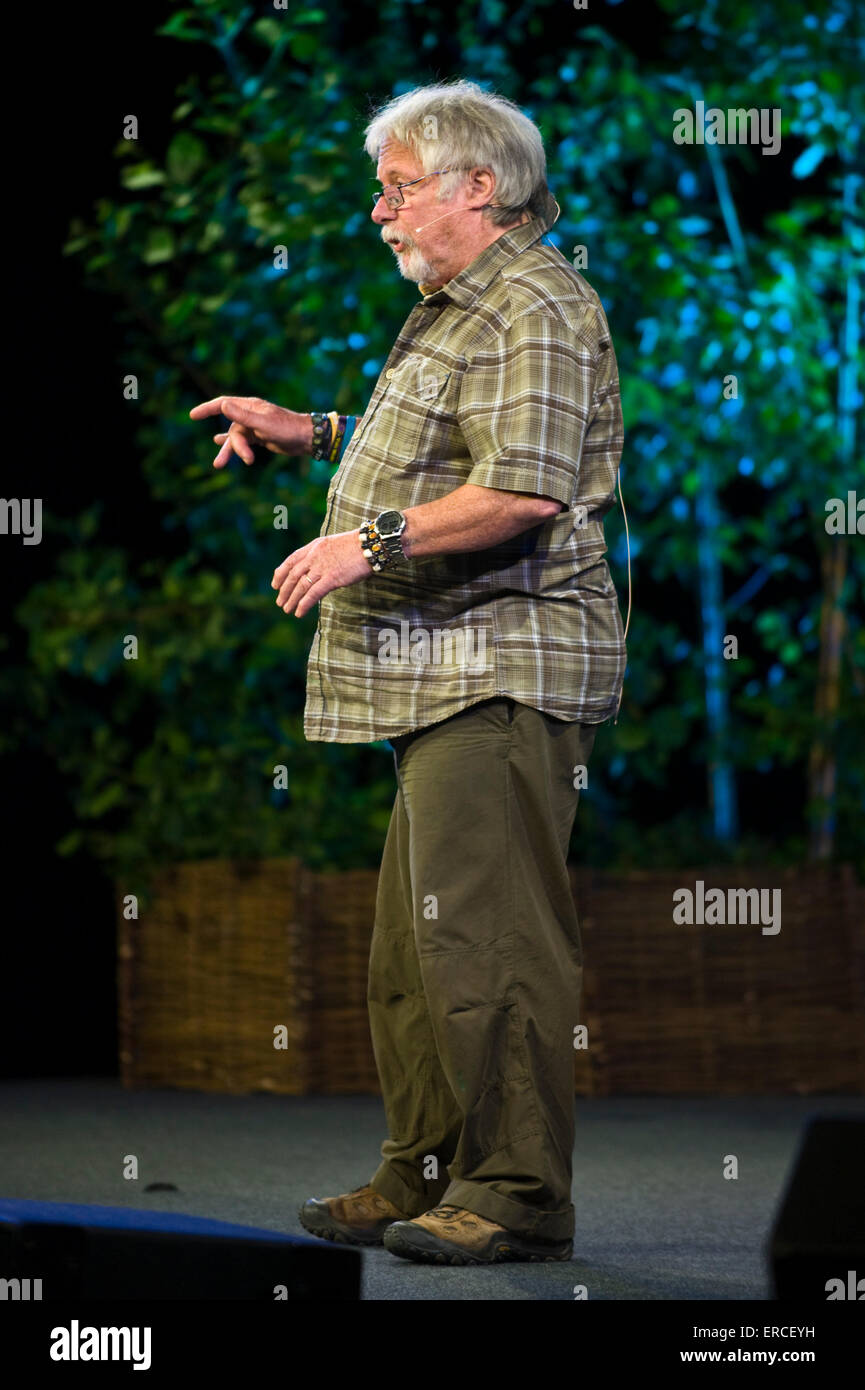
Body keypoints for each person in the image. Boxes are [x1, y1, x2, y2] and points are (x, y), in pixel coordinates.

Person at [190, 78, 627, 1266]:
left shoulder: (530, 303)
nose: (377, 214)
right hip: (440, 670)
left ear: (477, 187)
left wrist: (361, 543)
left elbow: (525, 488)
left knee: (488, 948)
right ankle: (427, 1172)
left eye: (395, 189)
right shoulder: (457, 309)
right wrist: (312, 431)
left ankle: (517, 1192)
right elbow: (447, 436)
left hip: (501, 659)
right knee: (413, 954)